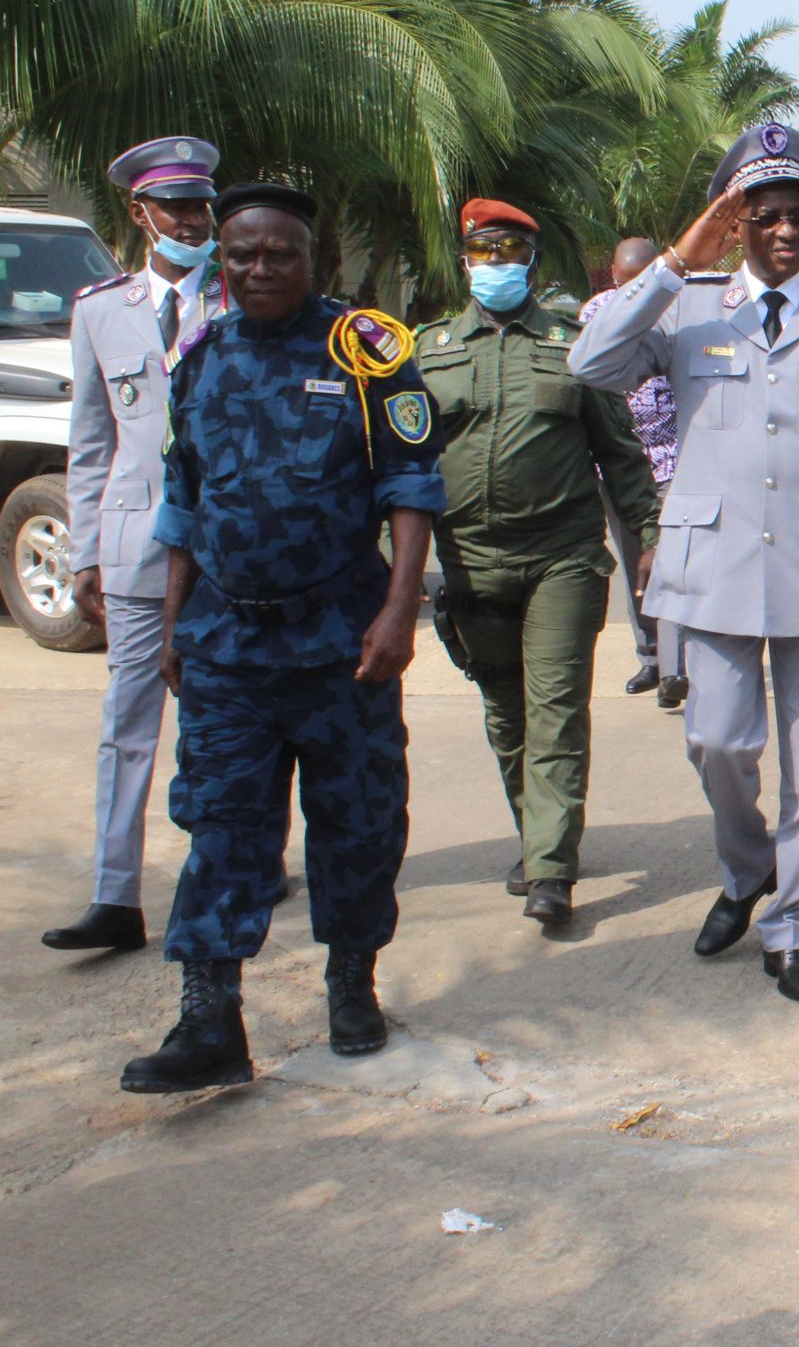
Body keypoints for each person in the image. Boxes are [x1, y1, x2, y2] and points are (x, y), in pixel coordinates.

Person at [571, 124, 799, 1004]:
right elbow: (590, 360)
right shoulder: (686, 305)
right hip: (713, 563)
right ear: (734, 223)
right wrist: (676, 262)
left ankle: (791, 924)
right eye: (764, 216)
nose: (787, 232)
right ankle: (746, 866)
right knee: (717, 739)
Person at [119, 183, 445, 1094]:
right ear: (222, 261)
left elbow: (411, 488)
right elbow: (183, 500)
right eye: (241, 255)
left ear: (314, 260)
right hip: (228, 642)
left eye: (279, 254)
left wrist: (399, 610)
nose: (259, 268)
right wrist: (178, 618)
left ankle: (352, 985)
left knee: (357, 821)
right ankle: (209, 1017)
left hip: (343, 641)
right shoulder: (203, 356)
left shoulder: (367, 352)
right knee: (221, 827)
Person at [415, 200, 660, 928]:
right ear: (466, 261)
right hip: (469, 560)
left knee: (555, 709)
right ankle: (536, 831)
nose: (498, 267)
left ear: (530, 262)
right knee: (505, 711)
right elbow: (403, 463)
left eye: (511, 255)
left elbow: (621, 453)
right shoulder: (427, 350)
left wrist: (648, 539)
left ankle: (552, 866)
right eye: (485, 254)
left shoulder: (572, 346)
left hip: (561, 555)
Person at [47, 135, 230, 955]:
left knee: (227, 714)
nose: (193, 218)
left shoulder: (242, 294)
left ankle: (234, 860)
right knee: (127, 721)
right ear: (139, 212)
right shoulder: (99, 310)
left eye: (201, 203)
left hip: (226, 547)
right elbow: (90, 443)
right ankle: (115, 893)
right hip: (133, 548)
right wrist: (85, 549)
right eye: (177, 205)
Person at [582, 237, 690, 707]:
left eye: (638, 283)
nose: (627, 293)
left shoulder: (680, 309)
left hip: (671, 461)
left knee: (667, 563)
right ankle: (650, 656)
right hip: (620, 464)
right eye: (622, 283)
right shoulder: (598, 313)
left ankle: (675, 668)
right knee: (634, 564)